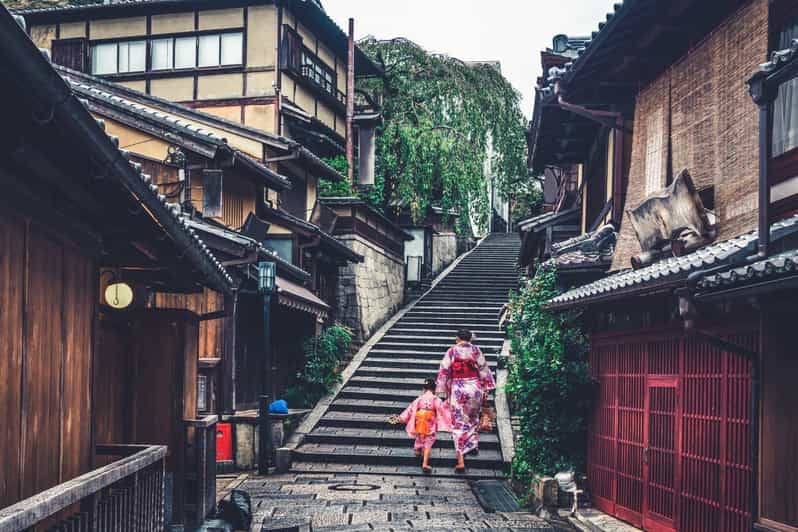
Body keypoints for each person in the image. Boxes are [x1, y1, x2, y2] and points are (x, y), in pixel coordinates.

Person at [436, 328, 495, 473]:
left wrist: (441, 389)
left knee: (458, 422)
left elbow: (444, 370)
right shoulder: (476, 350)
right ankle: (473, 445)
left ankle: (461, 461)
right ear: (470, 339)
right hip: (474, 387)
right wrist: (487, 387)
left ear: (457, 338)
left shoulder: (452, 351)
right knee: (473, 418)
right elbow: (484, 369)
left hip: (459, 388)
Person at [389, 377, 451, 474]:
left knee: (419, 435)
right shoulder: (435, 399)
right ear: (434, 389)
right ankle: (425, 463)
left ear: (424, 389)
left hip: (419, 418)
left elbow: (410, 409)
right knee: (428, 441)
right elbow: (442, 410)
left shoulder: (419, 398)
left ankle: (418, 449)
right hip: (429, 419)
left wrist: (401, 418)